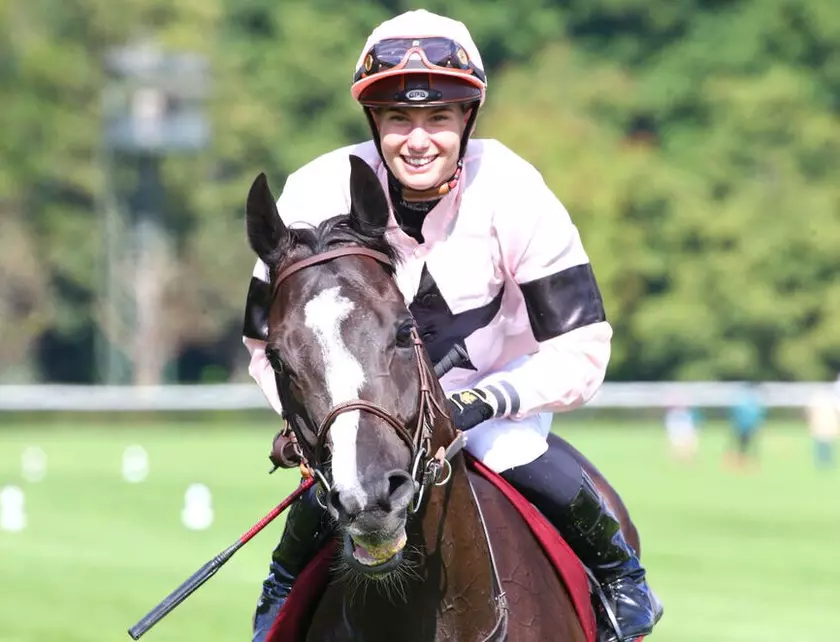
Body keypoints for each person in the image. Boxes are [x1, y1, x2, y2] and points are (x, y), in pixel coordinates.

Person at [241, 9, 662, 642]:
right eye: (397, 118)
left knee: (511, 449)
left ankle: (620, 574)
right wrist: (313, 424)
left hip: (492, 404)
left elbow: (583, 346)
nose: (418, 140)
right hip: (363, 411)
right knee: (342, 475)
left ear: (468, 118)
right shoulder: (311, 192)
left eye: (438, 117)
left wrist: (486, 400)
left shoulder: (515, 190)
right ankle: (282, 583)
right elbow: (266, 342)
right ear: (373, 122)